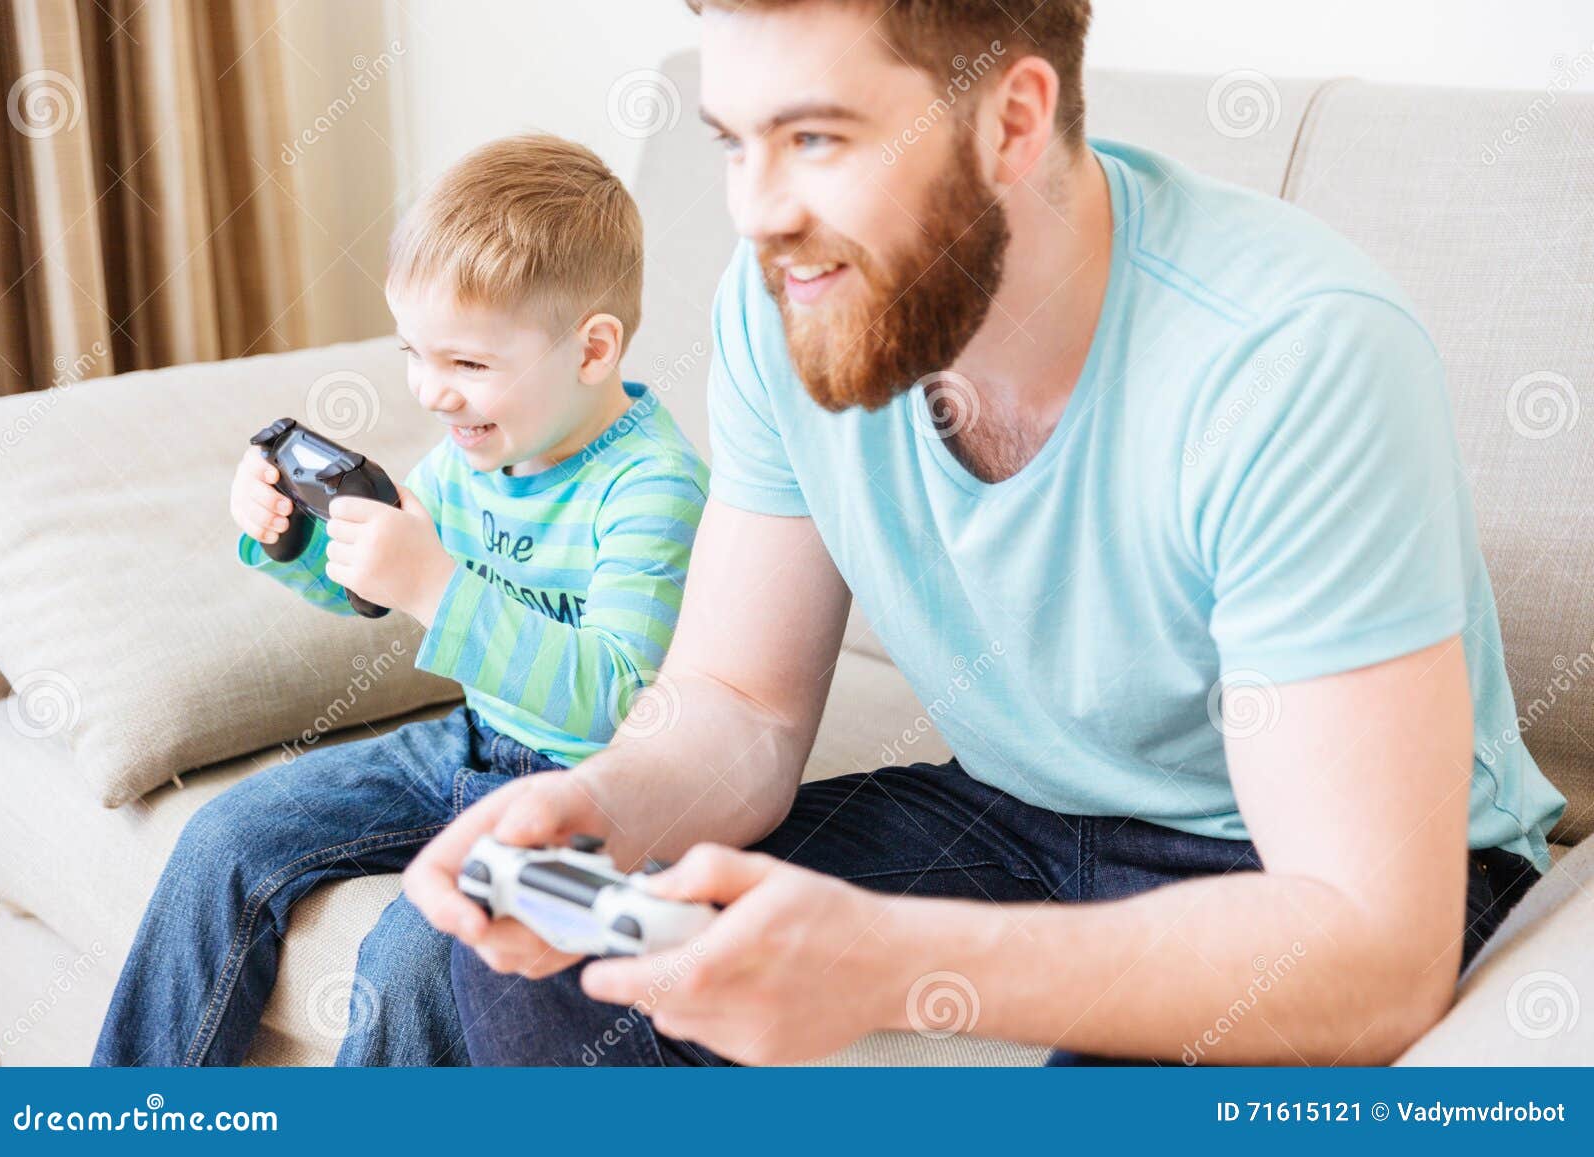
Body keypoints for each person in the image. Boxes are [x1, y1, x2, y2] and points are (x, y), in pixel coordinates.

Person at [406, 0, 1566, 1066]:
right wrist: (609, 804)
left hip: (1294, 865)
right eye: (731, 141)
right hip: (1020, 811)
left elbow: (1367, 944)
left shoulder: (1292, 357)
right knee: (557, 974)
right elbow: (740, 702)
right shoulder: (784, 307)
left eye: (816, 140)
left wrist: (895, 961)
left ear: (1011, 122)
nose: (756, 213)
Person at [92, 134, 709, 1067]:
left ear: (592, 350)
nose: (430, 392)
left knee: (415, 958)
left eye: (466, 364)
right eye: (414, 353)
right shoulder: (480, 453)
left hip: (600, 797)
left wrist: (436, 584)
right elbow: (370, 589)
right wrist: (294, 538)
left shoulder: (652, 486)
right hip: (469, 746)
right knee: (225, 836)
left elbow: (617, 696)